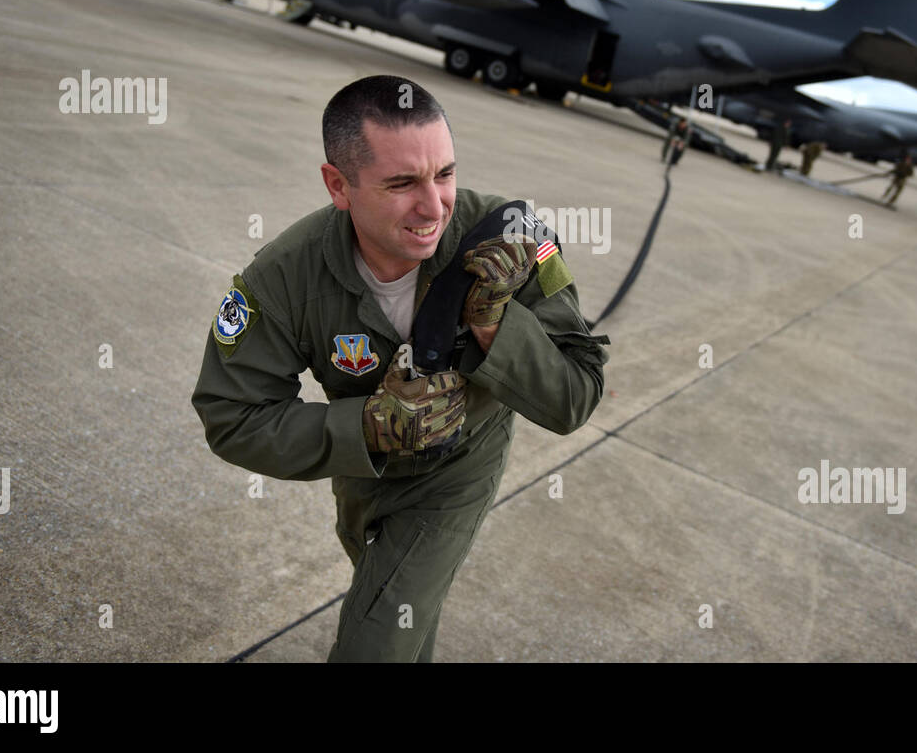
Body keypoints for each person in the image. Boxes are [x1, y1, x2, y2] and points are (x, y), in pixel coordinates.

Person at [191, 75, 609, 662]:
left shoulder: (512, 241)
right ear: (339, 185)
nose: (433, 206)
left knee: (377, 638)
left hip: (460, 465)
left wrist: (494, 320)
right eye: (402, 183)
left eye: (445, 174)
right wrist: (370, 428)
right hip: (365, 471)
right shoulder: (283, 276)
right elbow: (232, 416)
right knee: (400, 611)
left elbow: (576, 398)